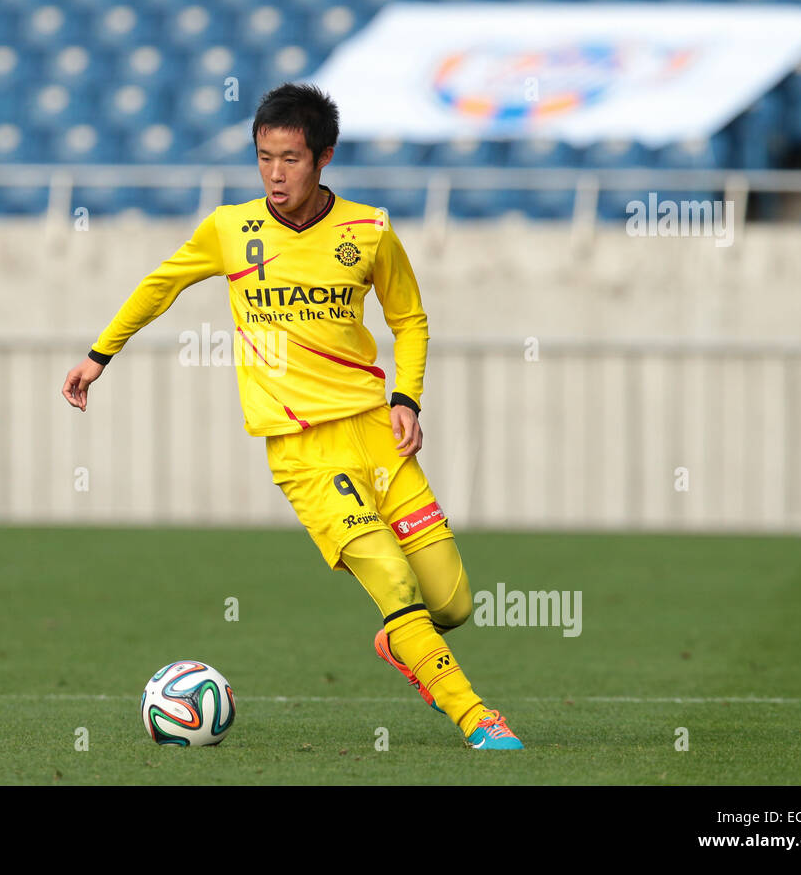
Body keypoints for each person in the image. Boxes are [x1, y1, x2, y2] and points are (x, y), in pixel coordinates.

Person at [60, 83, 522, 749]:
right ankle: (478, 718)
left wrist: (407, 398)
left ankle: (404, 642)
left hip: (378, 435)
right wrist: (100, 354)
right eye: (263, 158)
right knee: (392, 578)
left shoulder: (368, 231)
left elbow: (410, 318)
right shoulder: (230, 229)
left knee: (451, 602)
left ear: (323, 157)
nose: (275, 175)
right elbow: (161, 283)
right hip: (303, 449)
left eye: (291, 159)